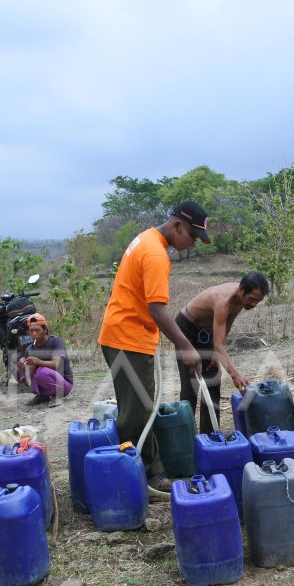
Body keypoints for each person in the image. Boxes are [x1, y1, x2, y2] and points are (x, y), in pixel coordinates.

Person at [98, 201, 205, 493]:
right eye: (192, 236)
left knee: (141, 408)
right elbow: (157, 309)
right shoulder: (156, 254)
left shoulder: (145, 239)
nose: (192, 243)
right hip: (127, 338)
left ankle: (152, 471)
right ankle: (139, 478)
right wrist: (185, 346)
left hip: (125, 335)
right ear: (177, 226)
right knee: (135, 414)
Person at [174, 271, 269, 433]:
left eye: (257, 301)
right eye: (252, 299)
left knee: (212, 383)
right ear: (241, 289)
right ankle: (186, 437)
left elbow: (227, 325)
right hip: (186, 330)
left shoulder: (240, 300)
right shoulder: (223, 302)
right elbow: (218, 344)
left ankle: (210, 436)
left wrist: (216, 354)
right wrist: (235, 374)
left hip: (206, 333)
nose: (253, 304)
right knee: (191, 386)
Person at [16, 313, 73, 407]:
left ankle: (56, 396)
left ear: (45, 330)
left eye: (37, 330)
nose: (34, 333)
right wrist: (24, 367)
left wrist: (37, 361)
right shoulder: (30, 349)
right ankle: (41, 395)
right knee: (21, 362)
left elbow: (56, 364)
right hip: (45, 384)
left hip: (63, 385)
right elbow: (29, 378)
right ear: (28, 332)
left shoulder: (56, 342)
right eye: (31, 331)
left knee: (42, 372)